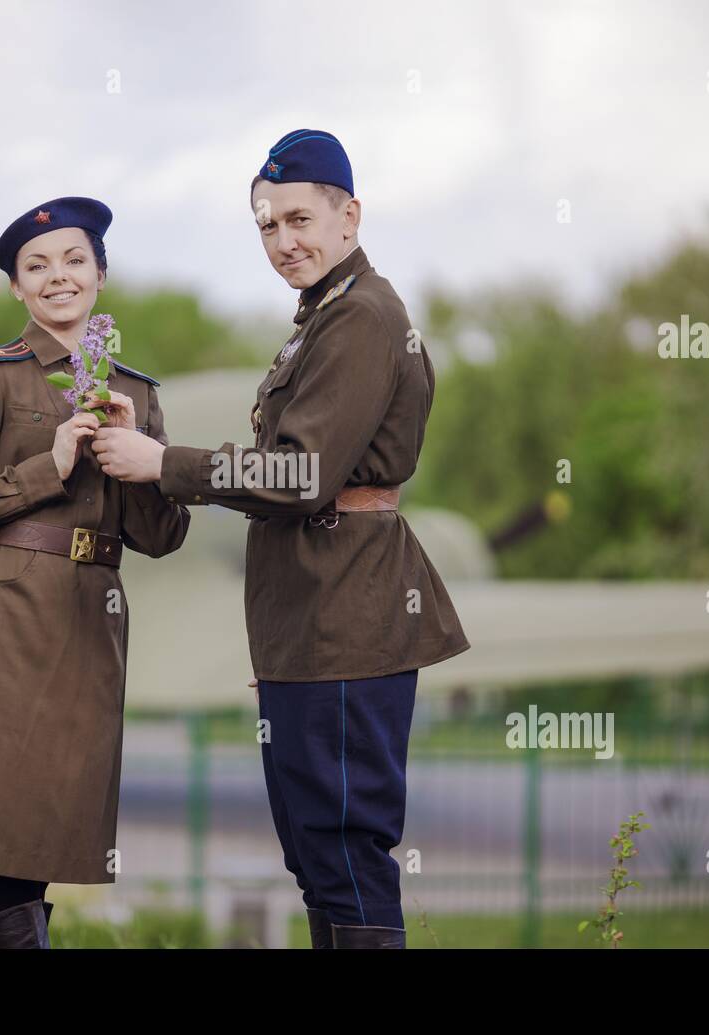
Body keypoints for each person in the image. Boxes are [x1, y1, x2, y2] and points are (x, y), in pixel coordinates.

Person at [92, 130, 470, 949]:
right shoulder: (323, 318)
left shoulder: (365, 317)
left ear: (349, 215)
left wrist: (165, 463)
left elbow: (300, 476)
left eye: (299, 218)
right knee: (316, 856)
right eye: (267, 226)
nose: (284, 240)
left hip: (349, 622)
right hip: (311, 622)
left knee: (345, 853)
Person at [0, 196, 190, 949]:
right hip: (9, 612)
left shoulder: (139, 394)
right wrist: (48, 465)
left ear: (101, 273)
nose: (57, 276)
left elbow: (163, 537)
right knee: (12, 832)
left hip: (92, 616)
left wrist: (139, 463)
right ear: (17, 288)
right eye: (36, 266)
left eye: (73, 260)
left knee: (47, 831)